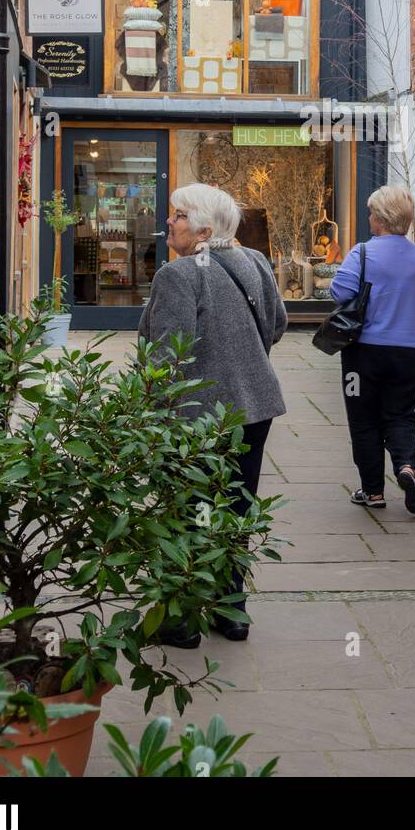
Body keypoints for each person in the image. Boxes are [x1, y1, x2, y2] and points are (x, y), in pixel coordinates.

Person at [138, 182, 287, 645]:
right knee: (236, 507)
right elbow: (278, 325)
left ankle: (182, 622)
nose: (169, 222)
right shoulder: (255, 262)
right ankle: (233, 612)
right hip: (255, 406)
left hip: (197, 418)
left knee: (190, 511)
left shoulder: (178, 275)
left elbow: (163, 357)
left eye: (178, 215)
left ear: (203, 228)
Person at [330, 185, 415, 514]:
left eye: (372, 212)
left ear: (382, 219)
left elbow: (338, 291)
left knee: (364, 421)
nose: (369, 217)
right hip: (410, 354)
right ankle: (406, 467)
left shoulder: (363, 253)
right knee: (402, 416)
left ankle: (373, 491)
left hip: (365, 354)